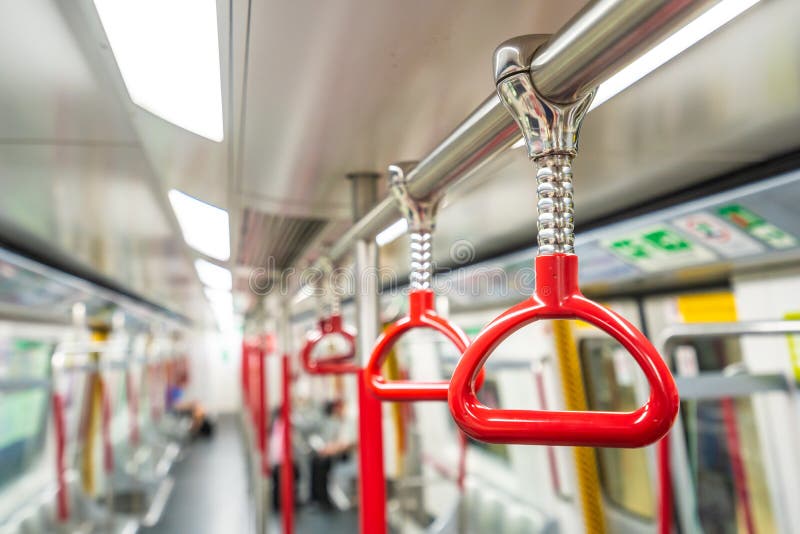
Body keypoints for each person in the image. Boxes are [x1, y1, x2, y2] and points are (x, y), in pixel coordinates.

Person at [309, 399, 355, 509]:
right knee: (317, 462)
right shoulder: (338, 422)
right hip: (337, 453)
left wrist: (328, 450)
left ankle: (323, 498)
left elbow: (345, 444)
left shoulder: (349, 423)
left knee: (322, 464)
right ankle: (318, 498)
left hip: (346, 457)